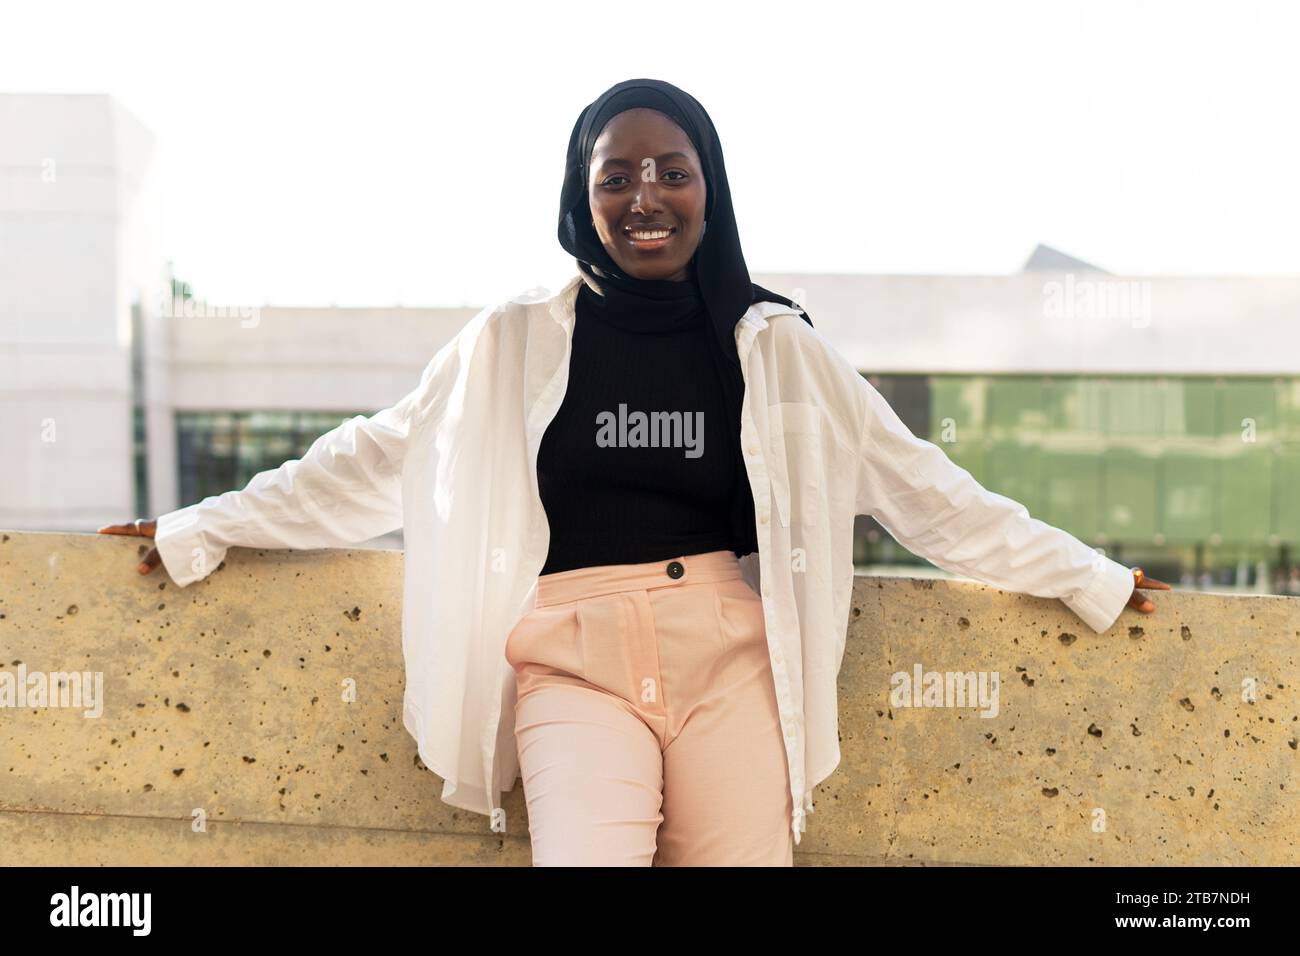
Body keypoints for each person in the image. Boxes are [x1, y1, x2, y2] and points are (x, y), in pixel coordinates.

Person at [98, 78, 1170, 866]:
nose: (644, 195)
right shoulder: (510, 341)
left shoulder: (774, 344)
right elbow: (372, 456)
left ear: (709, 190)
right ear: (583, 194)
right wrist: (199, 526)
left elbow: (922, 485)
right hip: (572, 661)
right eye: (616, 176)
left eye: (671, 171)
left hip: (732, 660)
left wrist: (1092, 576)